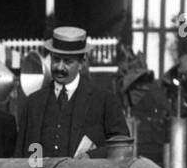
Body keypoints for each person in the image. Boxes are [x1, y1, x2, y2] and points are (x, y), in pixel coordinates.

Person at [16, 26, 130, 160]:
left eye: (68, 62)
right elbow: (21, 154)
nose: (59, 67)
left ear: (81, 63)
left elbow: (122, 146)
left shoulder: (104, 100)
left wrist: (91, 156)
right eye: (56, 59)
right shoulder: (33, 102)